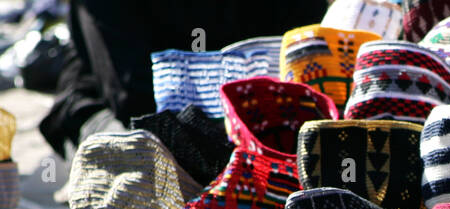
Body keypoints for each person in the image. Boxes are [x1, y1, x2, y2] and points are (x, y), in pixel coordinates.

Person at [40, 0, 327, 159]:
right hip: (119, 105)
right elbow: (133, 100)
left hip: (242, 109)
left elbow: (307, 54)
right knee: (138, 164)